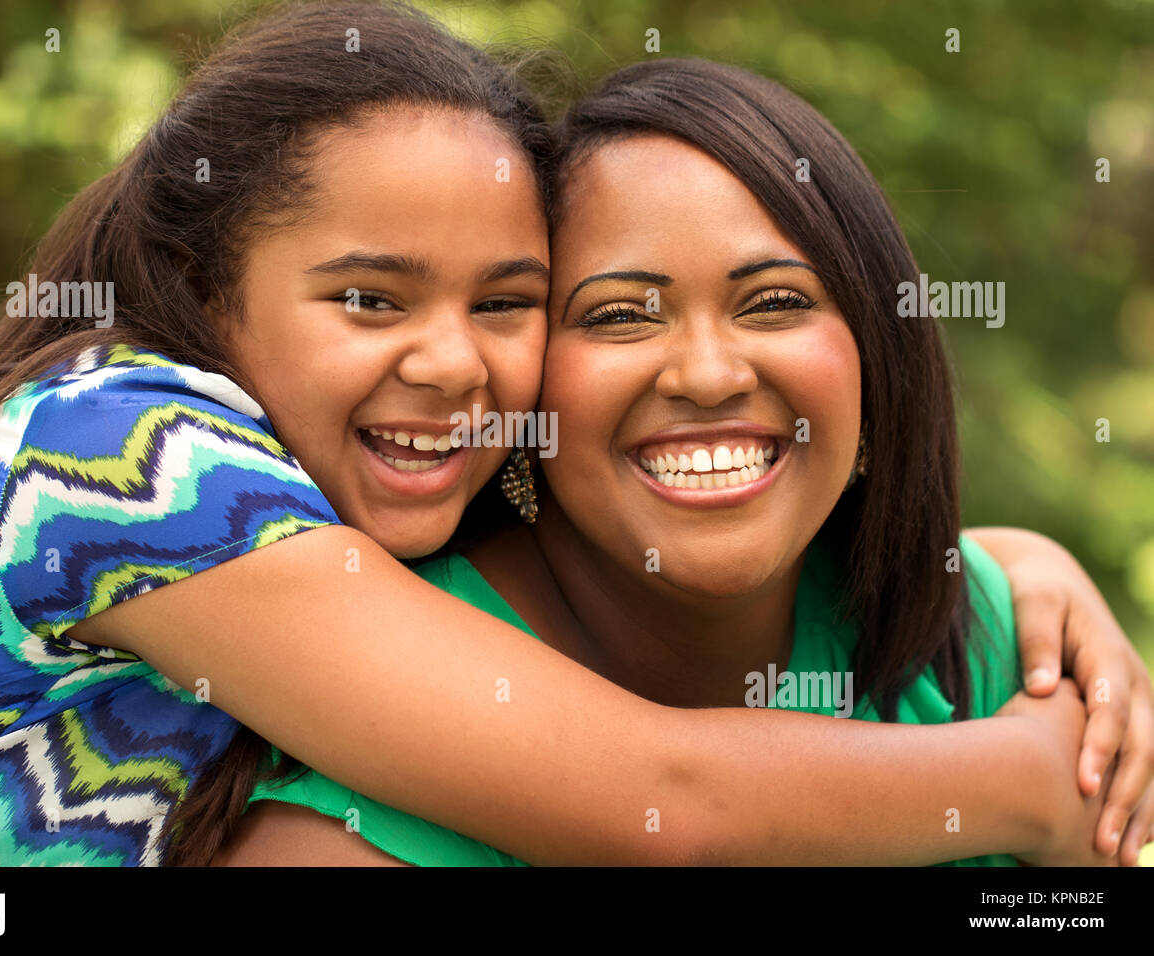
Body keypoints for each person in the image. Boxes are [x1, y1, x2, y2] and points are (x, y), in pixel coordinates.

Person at [0, 3, 1148, 867]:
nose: (453, 361)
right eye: (370, 296)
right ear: (203, 294)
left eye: (506, 303)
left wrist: (1005, 558)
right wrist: (1035, 778)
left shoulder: (330, 541)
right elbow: (667, 795)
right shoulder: (126, 448)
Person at [217, 57, 1154, 867]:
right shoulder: (394, 733)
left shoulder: (991, 643)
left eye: (778, 302)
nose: (707, 374)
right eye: (620, 315)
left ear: (878, 354)